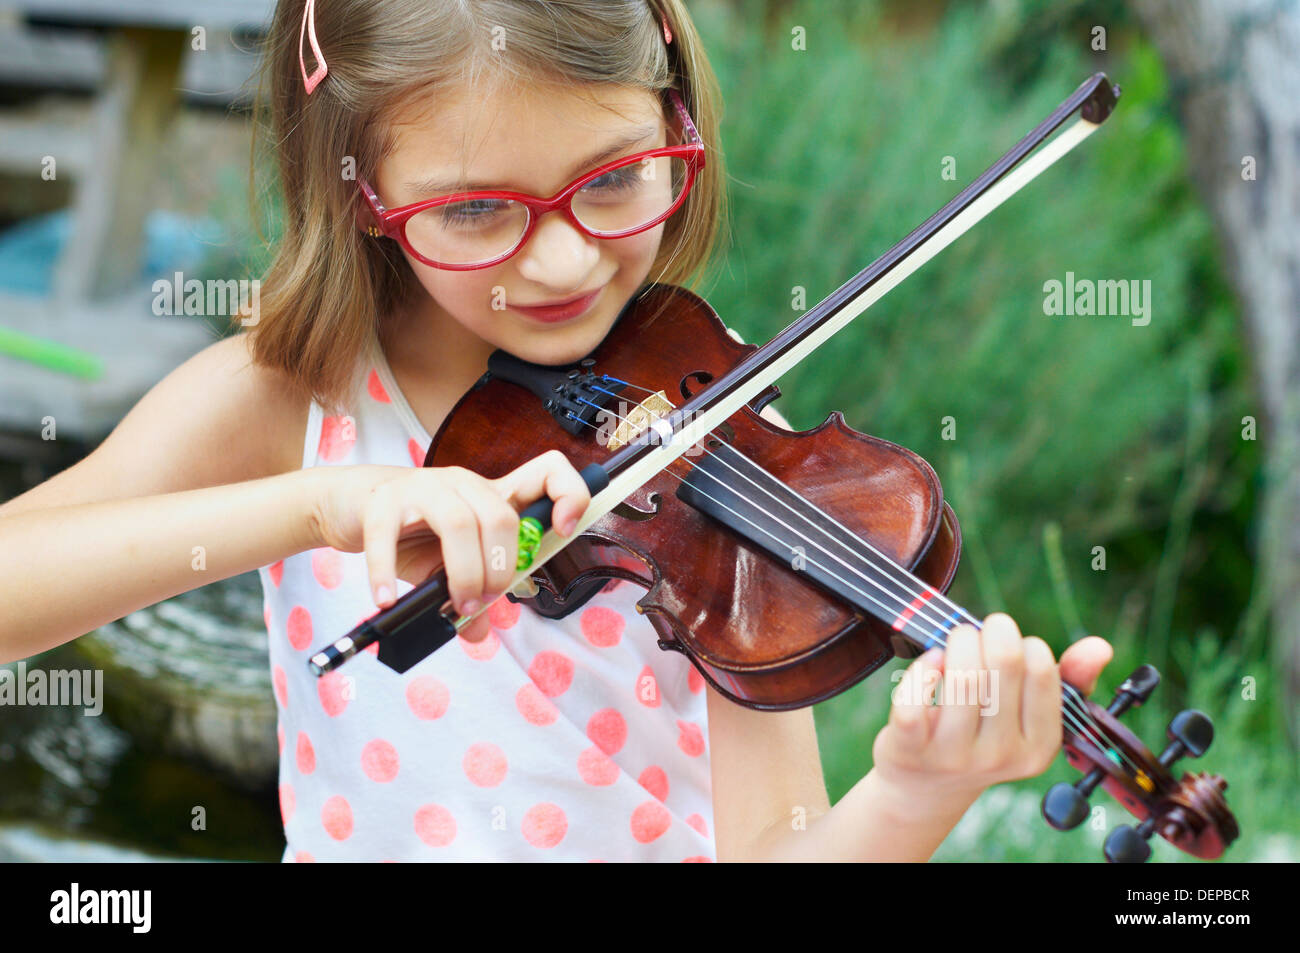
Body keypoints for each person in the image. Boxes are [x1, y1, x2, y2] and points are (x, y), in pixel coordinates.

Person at [0, 0, 1112, 862]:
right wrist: (323, 506)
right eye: (478, 208)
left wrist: (916, 791)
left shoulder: (710, 418)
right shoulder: (292, 401)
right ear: (355, 191)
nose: (565, 259)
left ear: (677, 121)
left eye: (617, 178)